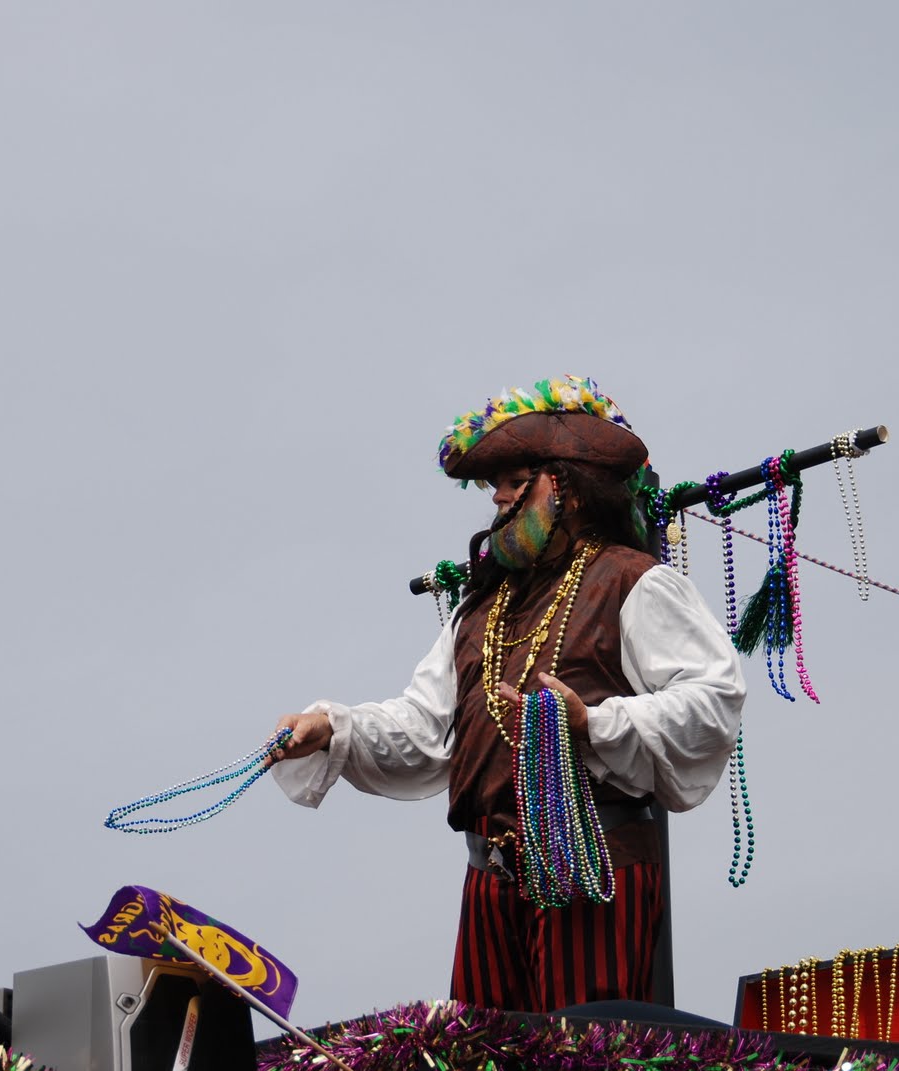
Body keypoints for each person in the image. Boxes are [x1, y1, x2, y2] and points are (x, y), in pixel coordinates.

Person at [269, 376, 745, 1014]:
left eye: (513, 480)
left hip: (590, 865)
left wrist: (592, 723)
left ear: (565, 487)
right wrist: (335, 727)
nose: (494, 498)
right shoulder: (478, 610)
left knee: (579, 1053)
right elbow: (423, 728)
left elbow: (712, 700)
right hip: (490, 879)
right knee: (480, 1052)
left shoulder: (633, 582)